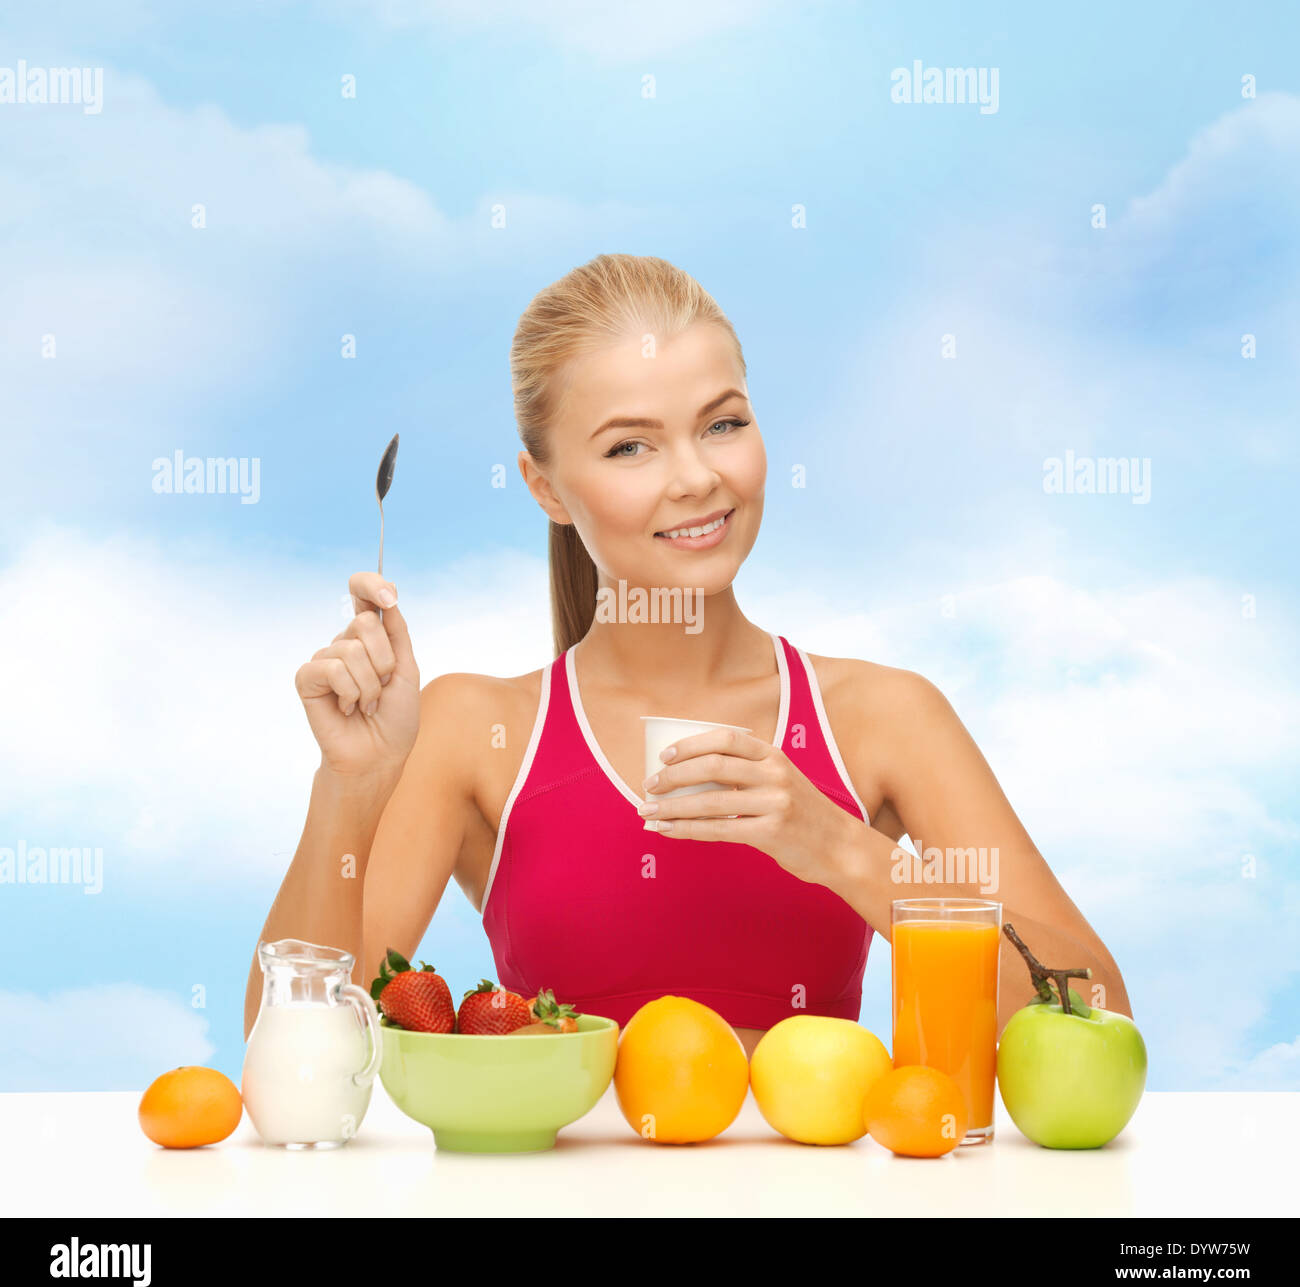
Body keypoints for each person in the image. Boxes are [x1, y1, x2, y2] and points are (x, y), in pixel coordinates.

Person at [245, 254, 1131, 1056]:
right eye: (631, 445)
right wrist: (351, 785)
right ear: (545, 486)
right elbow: (293, 1059)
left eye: (722, 424)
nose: (696, 478)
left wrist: (843, 850)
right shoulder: (475, 728)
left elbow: (1098, 1012)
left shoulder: (884, 718)